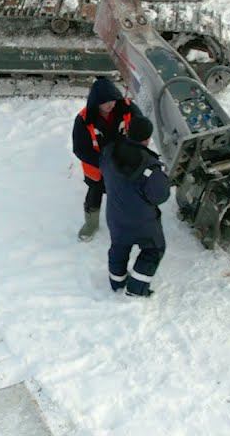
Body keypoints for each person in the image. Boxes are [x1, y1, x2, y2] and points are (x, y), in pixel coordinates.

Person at [100, 115, 169, 297]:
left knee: (119, 247)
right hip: (142, 222)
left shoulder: (109, 151)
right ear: (147, 139)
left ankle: (117, 283)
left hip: (115, 215)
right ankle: (136, 289)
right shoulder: (149, 167)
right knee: (154, 249)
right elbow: (160, 196)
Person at [71, 77, 144, 242]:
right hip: (98, 167)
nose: (110, 105)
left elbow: (141, 126)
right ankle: (91, 224)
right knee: (94, 194)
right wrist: (104, 163)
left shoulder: (126, 107)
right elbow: (80, 149)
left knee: (127, 192)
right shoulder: (83, 120)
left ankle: (128, 221)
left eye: (113, 100)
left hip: (124, 161)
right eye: (105, 102)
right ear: (96, 103)